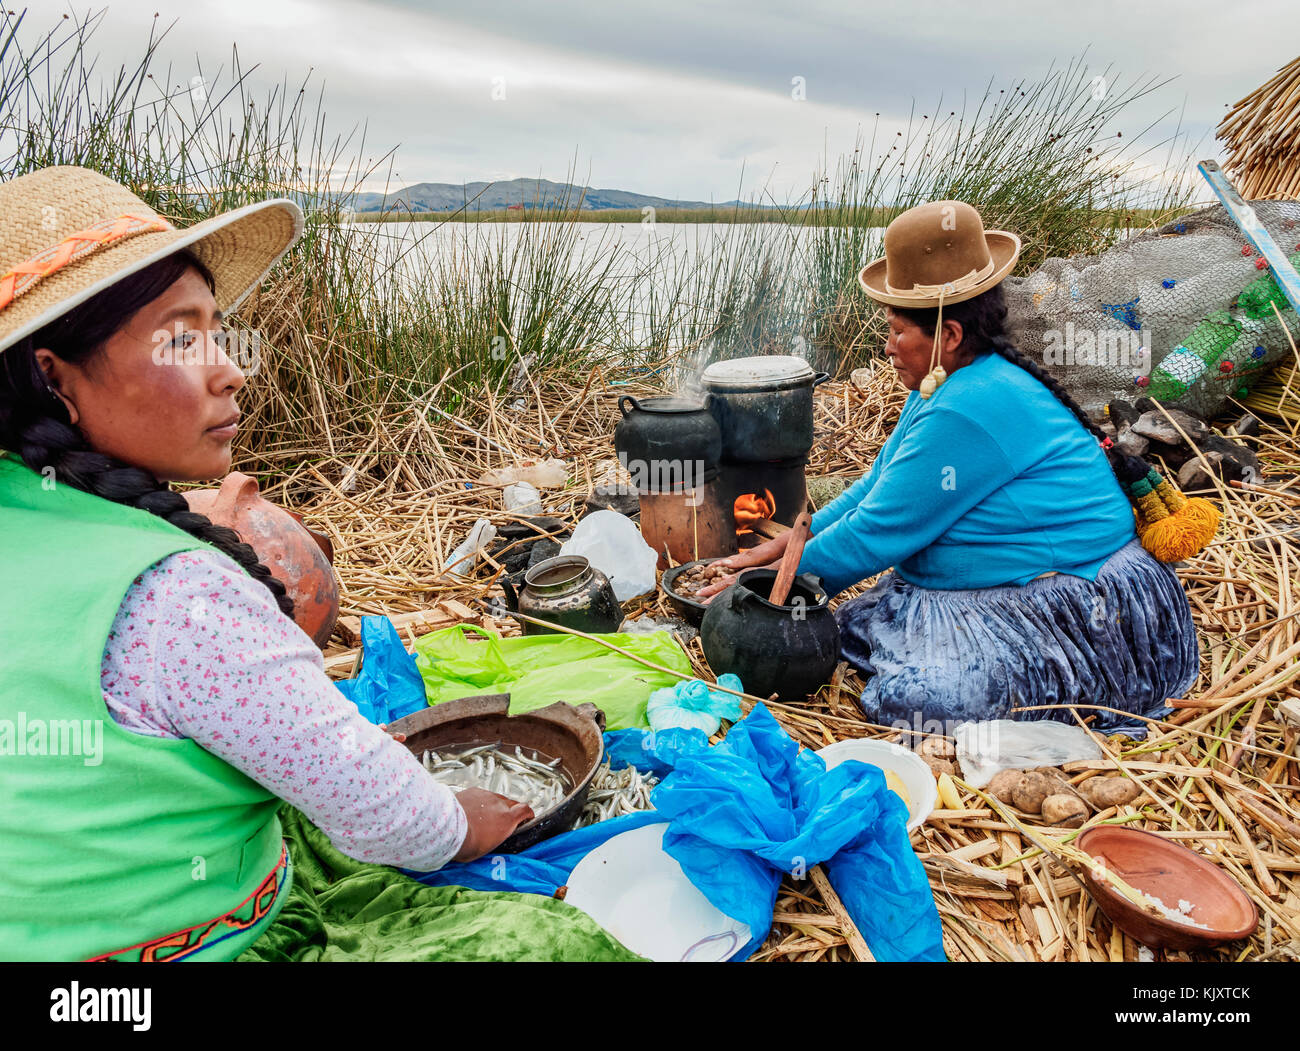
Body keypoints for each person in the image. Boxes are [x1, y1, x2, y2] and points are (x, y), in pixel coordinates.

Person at [0, 166, 637, 962]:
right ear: (54, 374)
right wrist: (459, 820)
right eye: (181, 337)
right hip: (188, 949)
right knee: (553, 945)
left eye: (217, 330)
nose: (230, 368)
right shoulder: (176, 593)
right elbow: (380, 806)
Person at [700, 201, 1212, 735]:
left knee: (918, 702)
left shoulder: (971, 404)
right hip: (999, 584)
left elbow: (879, 532)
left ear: (947, 335)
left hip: (1077, 602)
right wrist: (777, 553)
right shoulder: (947, 382)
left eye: (898, 332)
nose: (889, 347)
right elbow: (874, 489)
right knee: (848, 634)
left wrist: (764, 598)